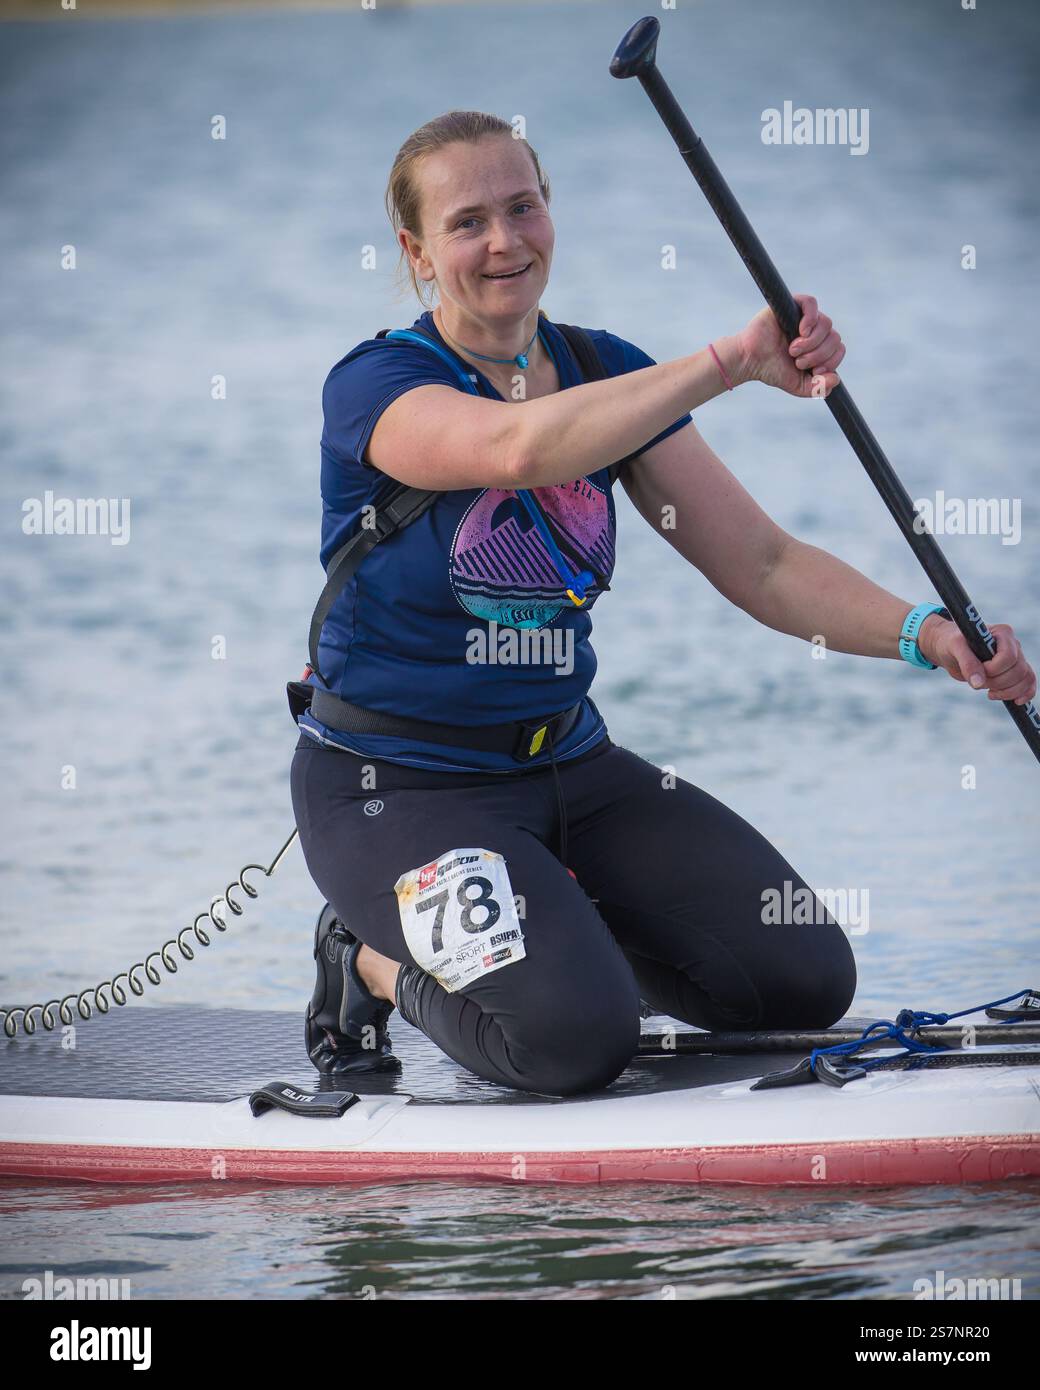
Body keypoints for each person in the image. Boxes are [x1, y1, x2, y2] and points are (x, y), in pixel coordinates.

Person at [290, 110, 1036, 1097]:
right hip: (397, 788)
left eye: (523, 206)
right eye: (468, 221)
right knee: (570, 1044)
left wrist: (928, 635)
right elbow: (516, 449)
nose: (505, 240)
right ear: (415, 250)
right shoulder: (377, 382)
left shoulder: (605, 372)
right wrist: (730, 361)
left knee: (800, 974)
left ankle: (556, 933)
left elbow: (763, 565)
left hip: (570, 763)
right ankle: (369, 957)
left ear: (551, 211)